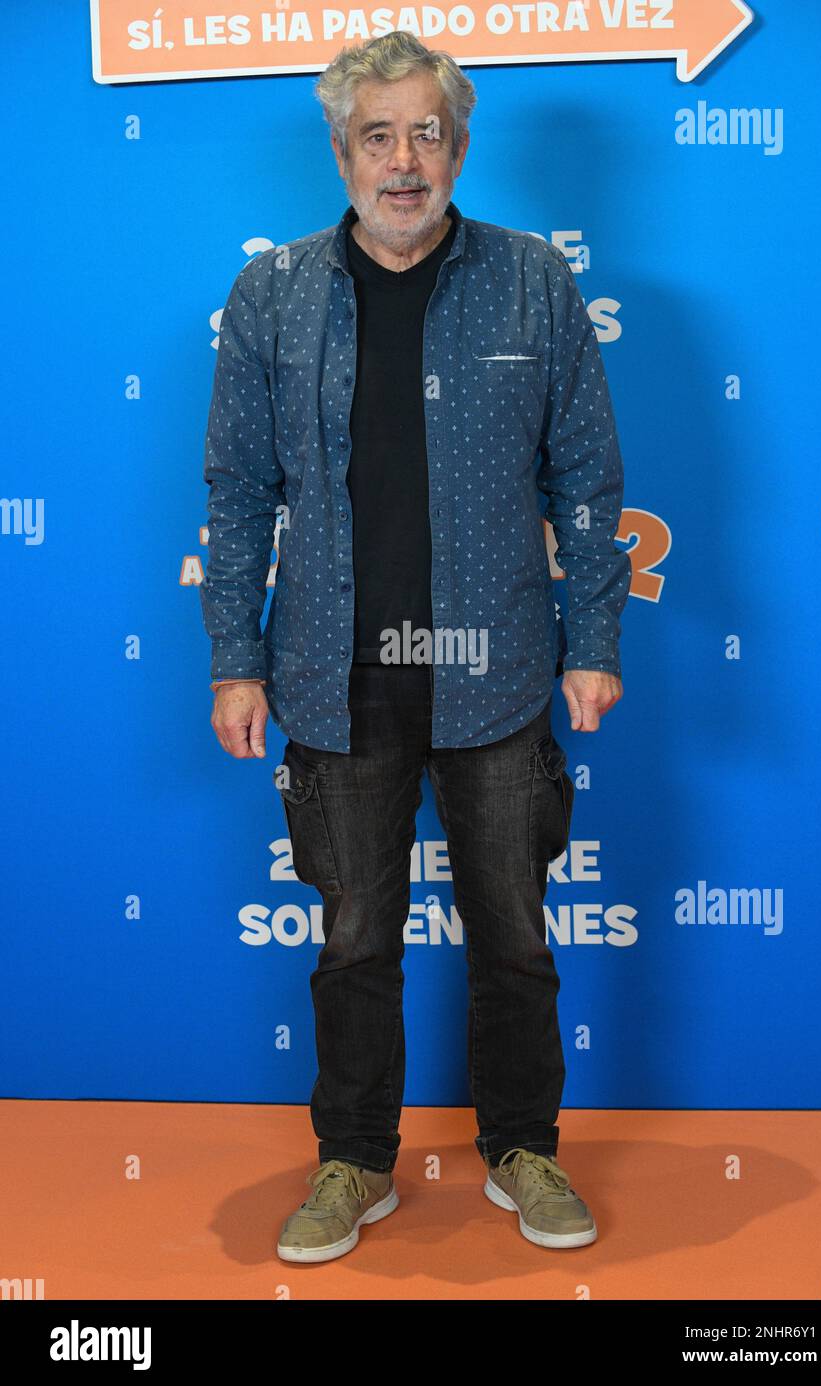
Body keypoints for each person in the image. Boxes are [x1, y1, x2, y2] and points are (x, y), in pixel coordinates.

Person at [200, 30, 630, 1263]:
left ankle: (523, 1147)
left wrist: (591, 639)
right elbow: (236, 493)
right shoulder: (270, 295)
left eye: (426, 133)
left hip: (494, 673)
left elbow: (589, 483)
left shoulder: (535, 283)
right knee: (352, 944)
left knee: (513, 929)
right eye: (378, 136)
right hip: (333, 680)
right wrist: (236, 657)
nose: (404, 161)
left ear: (459, 145)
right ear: (342, 150)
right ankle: (352, 1162)